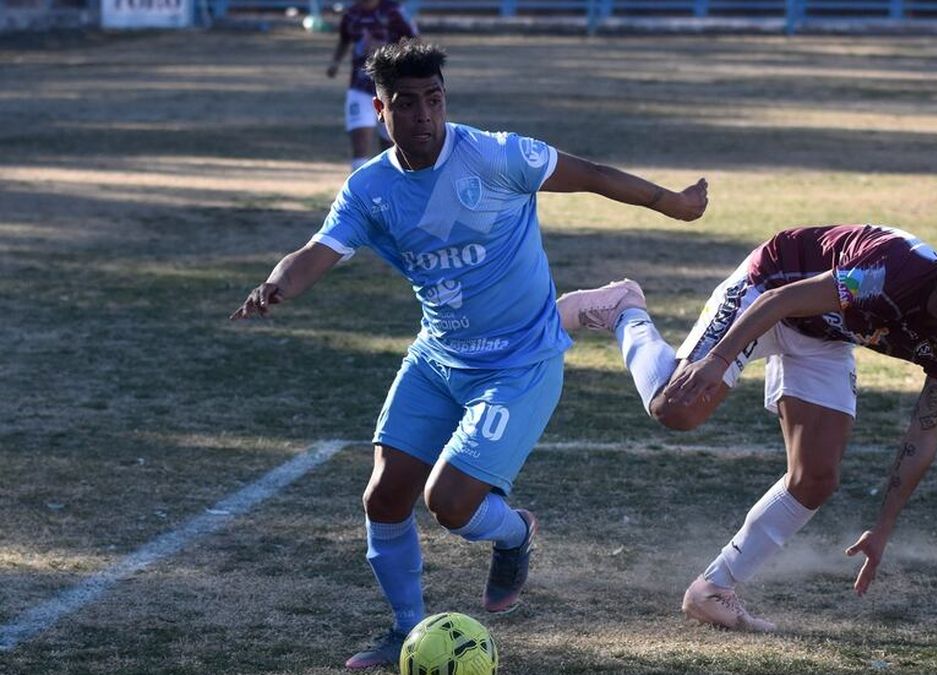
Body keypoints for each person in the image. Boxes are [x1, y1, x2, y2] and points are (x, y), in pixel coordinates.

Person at [231, 39, 708, 669]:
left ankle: (516, 532)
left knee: (451, 504)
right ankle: (405, 629)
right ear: (381, 110)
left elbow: (592, 174)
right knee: (383, 499)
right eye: (407, 103)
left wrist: (672, 203)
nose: (424, 115)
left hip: (520, 364)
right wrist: (276, 285)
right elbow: (317, 251)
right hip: (438, 359)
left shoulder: (495, 155)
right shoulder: (370, 189)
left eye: (434, 99)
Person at [557, 225, 937, 631]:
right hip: (770, 290)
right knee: (676, 409)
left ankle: (713, 590)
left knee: (816, 478)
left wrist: (883, 527)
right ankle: (625, 310)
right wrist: (717, 361)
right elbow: (781, 300)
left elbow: (923, 434)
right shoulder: (890, 271)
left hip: (827, 333)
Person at [325, 0, 417, 172]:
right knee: (360, 143)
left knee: (391, 148)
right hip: (359, 87)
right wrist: (335, 62)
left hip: (390, 89)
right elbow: (344, 40)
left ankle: (390, 184)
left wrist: (386, 49)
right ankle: (359, 188)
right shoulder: (351, 14)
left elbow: (415, 42)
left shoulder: (393, 11)